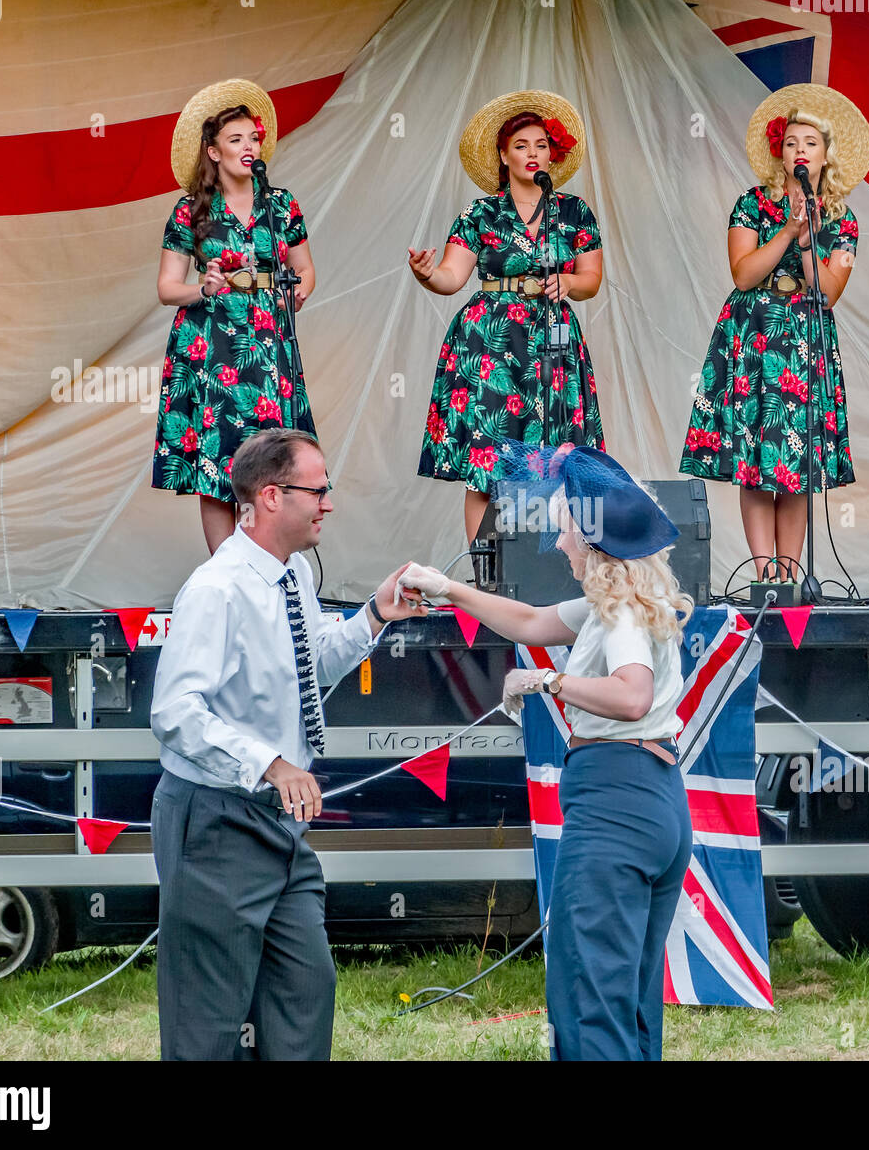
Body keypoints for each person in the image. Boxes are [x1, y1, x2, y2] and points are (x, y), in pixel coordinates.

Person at [398, 443, 695, 1060]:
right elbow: (531, 621)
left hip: (616, 801)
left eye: (564, 533)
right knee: (628, 996)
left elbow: (632, 694)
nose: (558, 545)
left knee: (589, 995)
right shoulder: (621, 603)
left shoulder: (617, 617)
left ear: (591, 539)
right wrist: (448, 587)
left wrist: (545, 682)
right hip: (655, 800)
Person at [149, 428, 422, 1060]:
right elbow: (174, 711)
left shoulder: (291, 573)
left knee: (306, 987)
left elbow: (312, 662)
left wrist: (375, 616)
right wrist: (270, 765)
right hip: (215, 820)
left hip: (278, 825)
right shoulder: (216, 589)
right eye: (318, 489)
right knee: (208, 1016)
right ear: (271, 497)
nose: (328, 502)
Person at [679, 84, 869, 582]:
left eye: (809, 142)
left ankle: (790, 575)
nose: (799, 150)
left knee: (794, 461)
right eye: (790, 142)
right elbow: (743, 274)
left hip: (805, 335)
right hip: (753, 333)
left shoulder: (842, 220)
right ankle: (763, 573)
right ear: (780, 154)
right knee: (754, 457)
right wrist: (786, 231)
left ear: (826, 156)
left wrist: (809, 243)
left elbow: (828, 293)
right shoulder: (750, 205)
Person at [410, 91, 607, 544]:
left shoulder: (573, 211)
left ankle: (547, 574)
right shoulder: (480, 213)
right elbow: (451, 277)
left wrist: (569, 285)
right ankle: (487, 577)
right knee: (488, 461)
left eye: (540, 144)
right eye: (521, 145)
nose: (532, 153)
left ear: (551, 154)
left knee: (556, 456)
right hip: (490, 344)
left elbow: (591, 279)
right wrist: (426, 274)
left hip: (553, 343)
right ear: (503, 154)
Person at [155, 79, 319, 555]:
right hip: (211, 340)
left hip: (269, 339)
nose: (249, 147)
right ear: (212, 152)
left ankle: (270, 565)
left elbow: (305, 271)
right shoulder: (190, 210)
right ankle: (228, 571)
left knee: (272, 458)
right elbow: (166, 288)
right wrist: (201, 287)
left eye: (253, 138)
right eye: (235, 140)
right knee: (218, 457)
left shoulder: (281, 204)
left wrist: (297, 295)